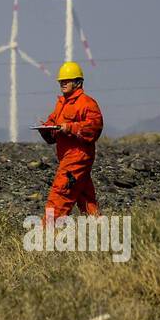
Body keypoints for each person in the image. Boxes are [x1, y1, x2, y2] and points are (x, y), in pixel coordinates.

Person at [38, 61, 103, 222]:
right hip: (67, 157)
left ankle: (48, 233)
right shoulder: (62, 103)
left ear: (78, 82)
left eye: (67, 80)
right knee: (84, 196)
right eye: (61, 81)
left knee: (60, 193)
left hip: (78, 157)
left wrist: (71, 128)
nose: (63, 83)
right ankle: (97, 226)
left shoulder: (87, 103)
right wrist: (45, 127)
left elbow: (95, 128)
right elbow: (53, 121)